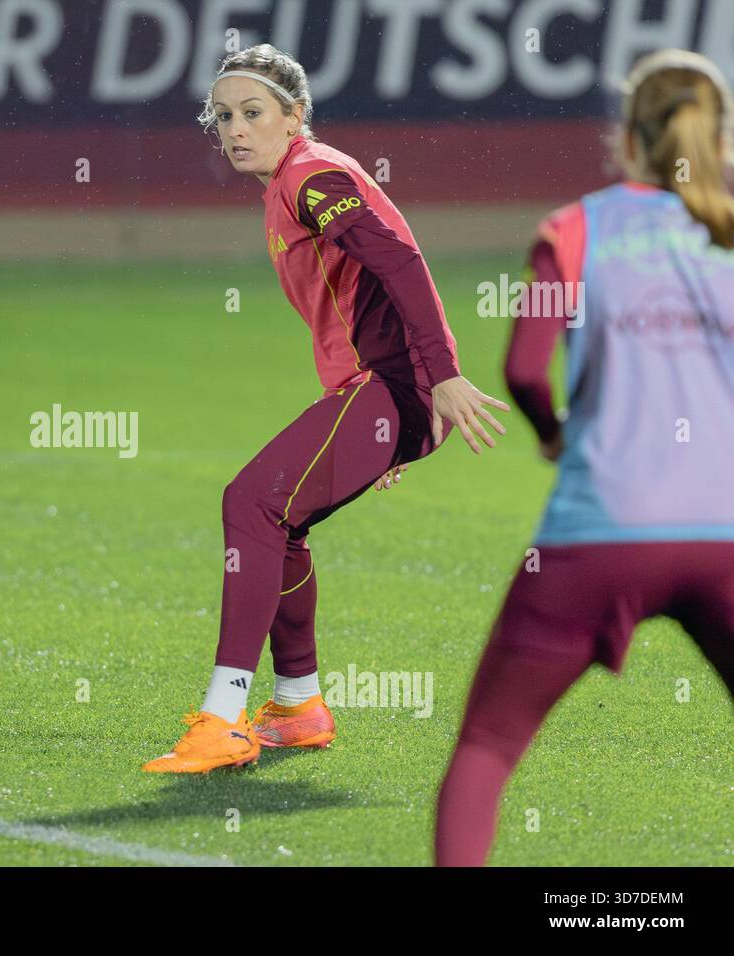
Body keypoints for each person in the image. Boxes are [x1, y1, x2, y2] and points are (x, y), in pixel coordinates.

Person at [144, 44, 507, 773]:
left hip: (400, 384)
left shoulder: (310, 175)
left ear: (294, 115)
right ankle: (299, 706)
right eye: (223, 117)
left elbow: (399, 264)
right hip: (380, 393)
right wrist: (375, 431)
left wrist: (437, 382)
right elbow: (354, 308)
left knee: (248, 504)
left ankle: (222, 717)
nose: (235, 129)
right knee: (281, 520)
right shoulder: (289, 182)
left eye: (253, 113)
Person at [436, 49, 734, 865]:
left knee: (488, 746)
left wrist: (552, 431)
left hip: (599, 527)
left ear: (626, 139)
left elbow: (524, 368)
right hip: (725, 534)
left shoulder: (572, 229)